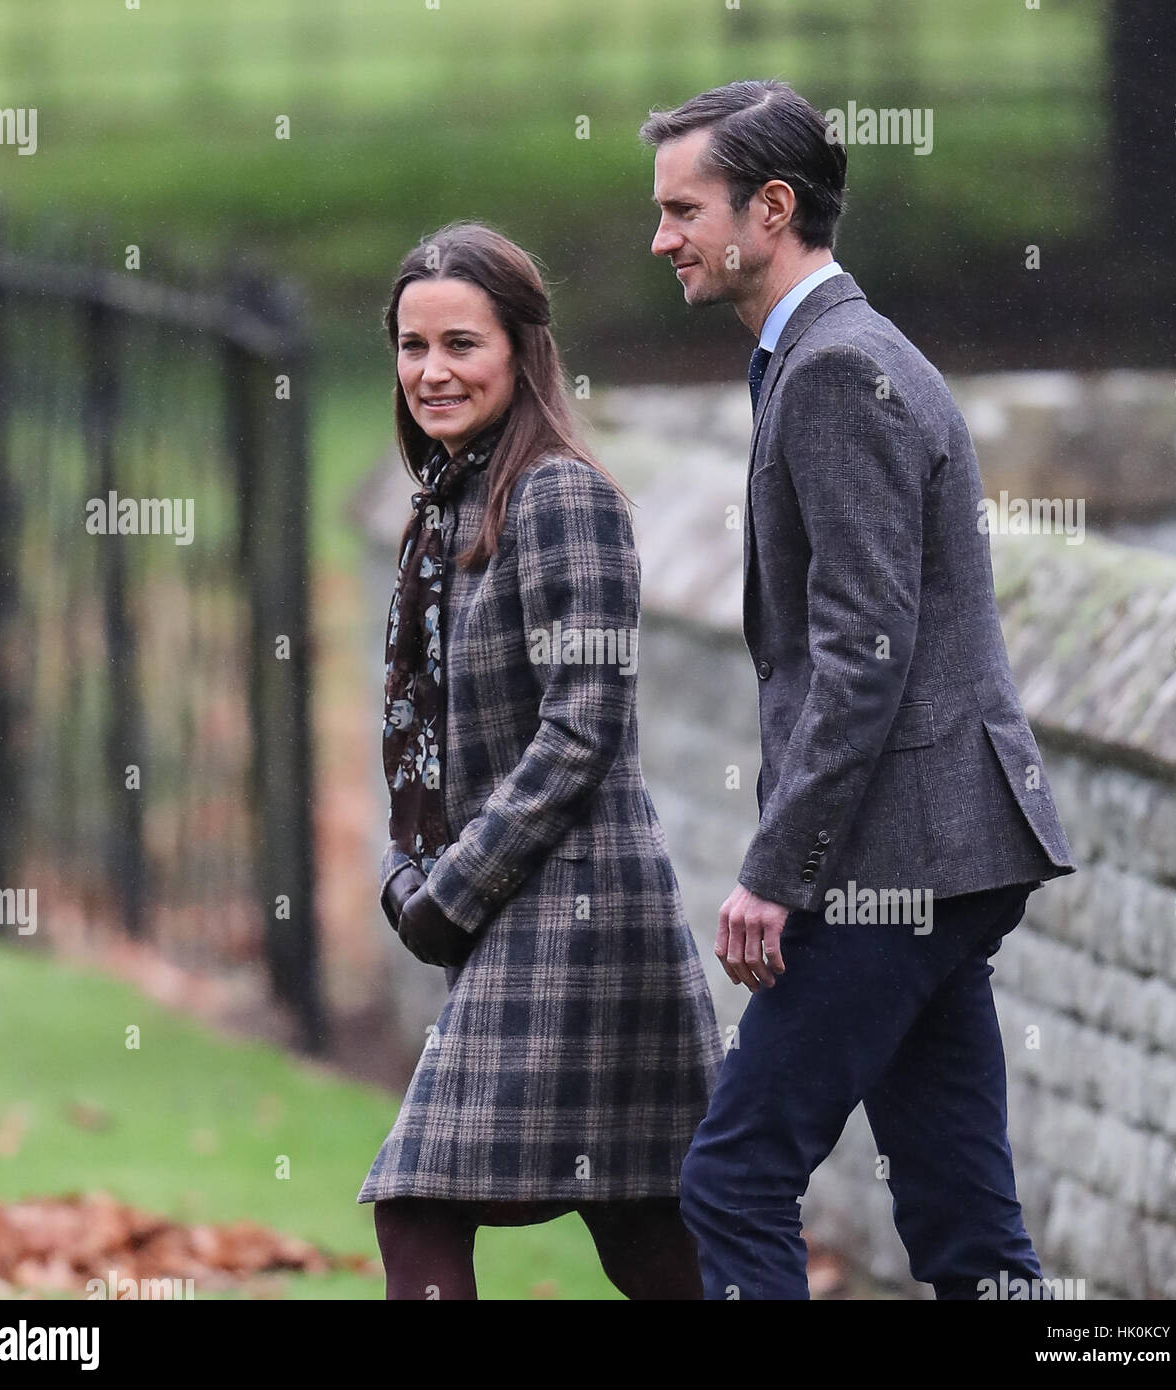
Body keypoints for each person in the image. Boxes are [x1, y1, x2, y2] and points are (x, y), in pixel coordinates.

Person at [640, 80, 1077, 1300]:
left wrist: (775, 871)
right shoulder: (829, 355)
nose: (662, 237)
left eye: (684, 209)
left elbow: (863, 651)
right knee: (970, 1235)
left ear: (769, 209)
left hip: (897, 864)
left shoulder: (837, 371)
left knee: (732, 1176)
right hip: (942, 859)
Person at [356, 220, 722, 1300]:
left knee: (421, 1200)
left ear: (523, 350)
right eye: (413, 346)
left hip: (580, 913)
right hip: (522, 903)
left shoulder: (562, 497)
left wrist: (449, 893)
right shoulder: (452, 502)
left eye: (461, 344)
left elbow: (581, 726)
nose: (433, 372)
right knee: (652, 1235)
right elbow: (427, 729)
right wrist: (404, 869)